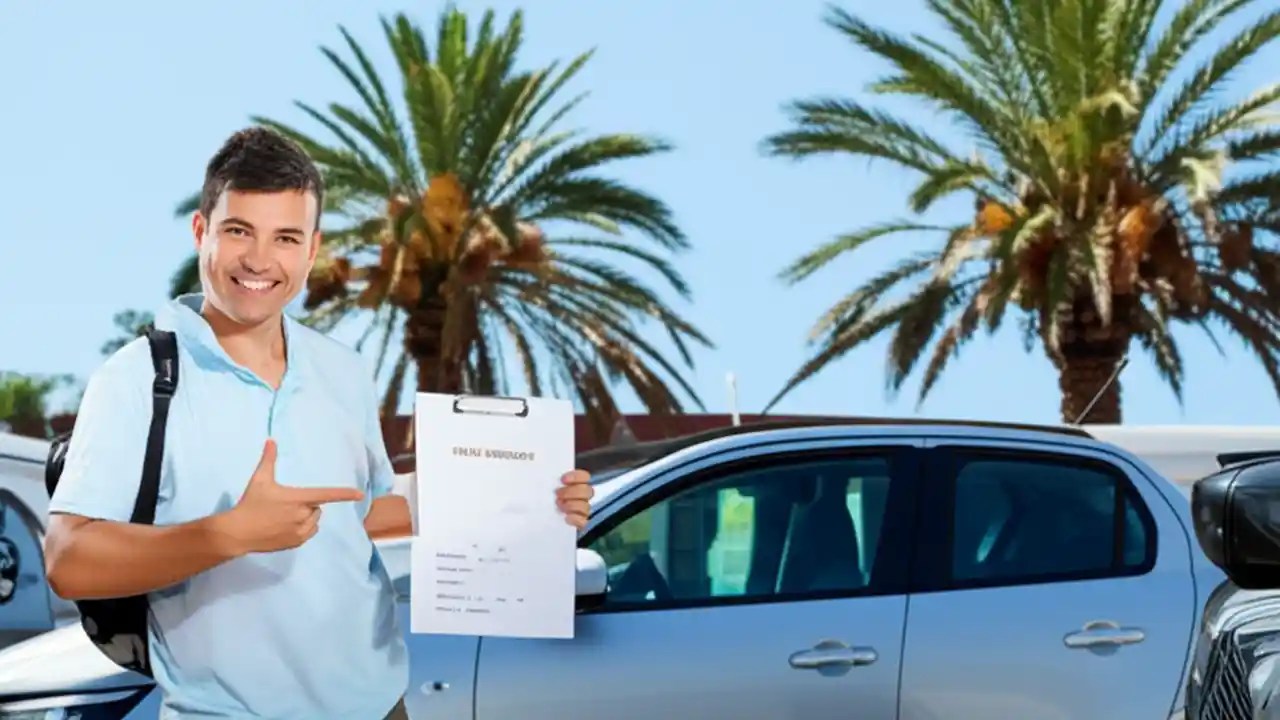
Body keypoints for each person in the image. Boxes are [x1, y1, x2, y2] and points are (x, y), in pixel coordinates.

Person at [43, 126, 595, 719]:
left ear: (312, 250)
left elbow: (359, 510)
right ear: (201, 231)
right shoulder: (134, 381)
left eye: (285, 237)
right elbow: (67, 560)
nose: (259, 260)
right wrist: (229, 533)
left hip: (380, 706)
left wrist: (528, 497)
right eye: (238, 231)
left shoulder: (342, 370)